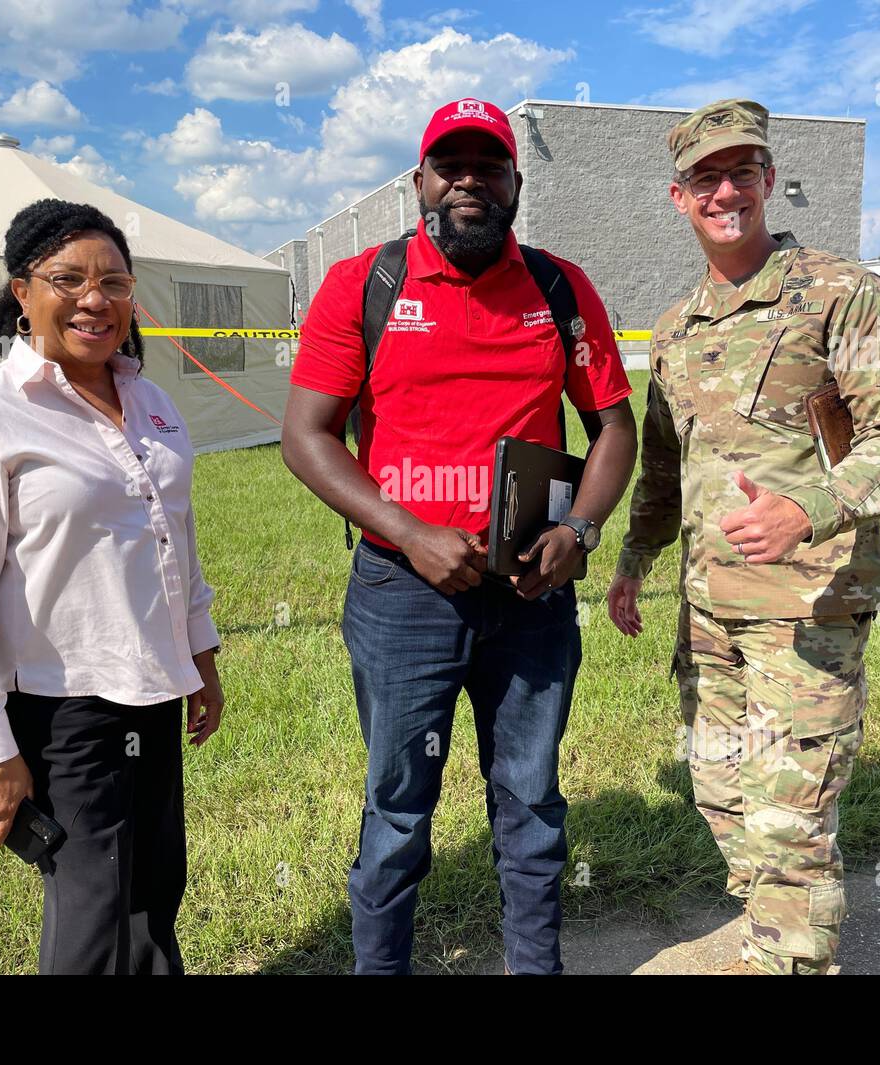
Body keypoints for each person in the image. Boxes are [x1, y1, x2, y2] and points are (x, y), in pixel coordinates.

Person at [282, 98, 637, 974]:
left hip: (530, 593)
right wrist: (412, 534)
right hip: (403, 593)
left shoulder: (560, 287)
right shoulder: (364, 284)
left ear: (517, 182)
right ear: (420, 183)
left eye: (490, 167)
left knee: (530, 798)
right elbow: (306, 437)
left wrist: (580, 533)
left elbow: (615, 428)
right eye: (452, 166)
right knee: (398, 808)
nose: (469, 183)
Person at [608, 99, 880, 975]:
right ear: (679, 198)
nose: (728, 191)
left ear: (766, 180)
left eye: (743, 171)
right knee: (723, 797)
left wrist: (811, 508)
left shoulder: (844, 293)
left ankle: (785, 958)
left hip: (811, 607)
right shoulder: (676, 326)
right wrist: (633, 562)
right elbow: (663, 467)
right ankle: (779, 934)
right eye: (706, 178)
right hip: (709, 610)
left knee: (789, 825)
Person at [0, 198, 225, 975]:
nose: (96, 299)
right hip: (65, 709)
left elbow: (178, 538)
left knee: (155, 892)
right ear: (22, 291)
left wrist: (202, 655)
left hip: (154, 689)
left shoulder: (150, 401)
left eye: (115, 282)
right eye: (69, 278)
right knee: (94, 914)